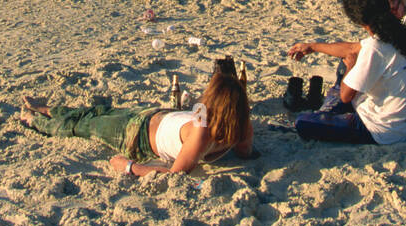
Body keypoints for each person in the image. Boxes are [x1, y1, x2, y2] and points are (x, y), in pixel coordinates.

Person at [18, 67, 255, 176]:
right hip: (152, 118)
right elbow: (245, 151)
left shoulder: (204, 131)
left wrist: (129, 166)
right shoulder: (235, 125)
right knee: (96, 112)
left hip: (136, 136)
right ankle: (46, 109)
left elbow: (174, 174)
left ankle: (34, 119)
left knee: (84, 125)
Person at [286, 0, 406, 144]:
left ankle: (329, 108)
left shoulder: (375, 48)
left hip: (382, 130)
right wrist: (313, 47)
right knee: (350, 58)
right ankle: (331, 107)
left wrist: (351, 67)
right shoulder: (400, 32)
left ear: (358, 21)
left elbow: (346, 96)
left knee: (303, 122)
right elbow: (352, 48)